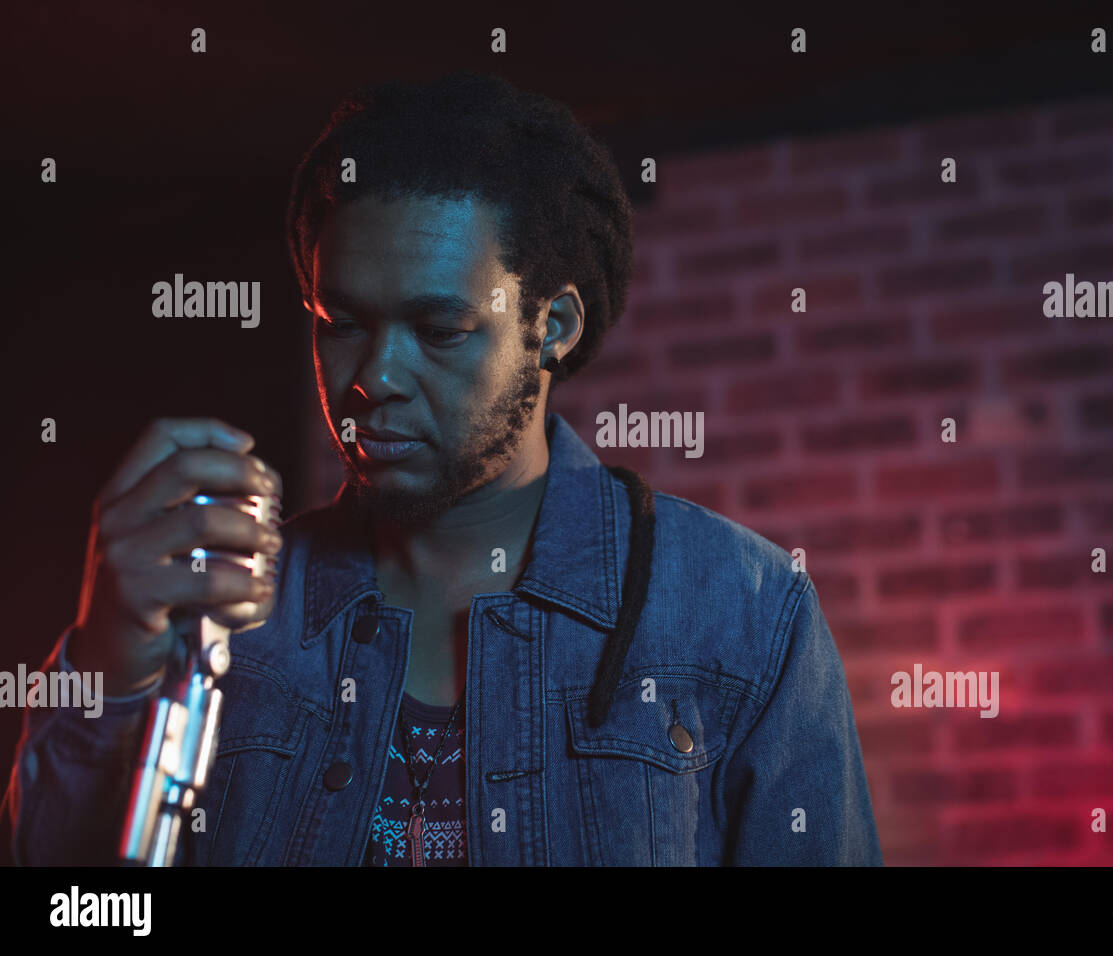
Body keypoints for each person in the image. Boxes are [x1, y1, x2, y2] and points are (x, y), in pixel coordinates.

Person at [5, 72, 883, 866]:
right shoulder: (224, 614)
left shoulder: (743, 613)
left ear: (554, 327)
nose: (372, 379)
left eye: (440, 332)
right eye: (340, 320)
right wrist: (111, 652)